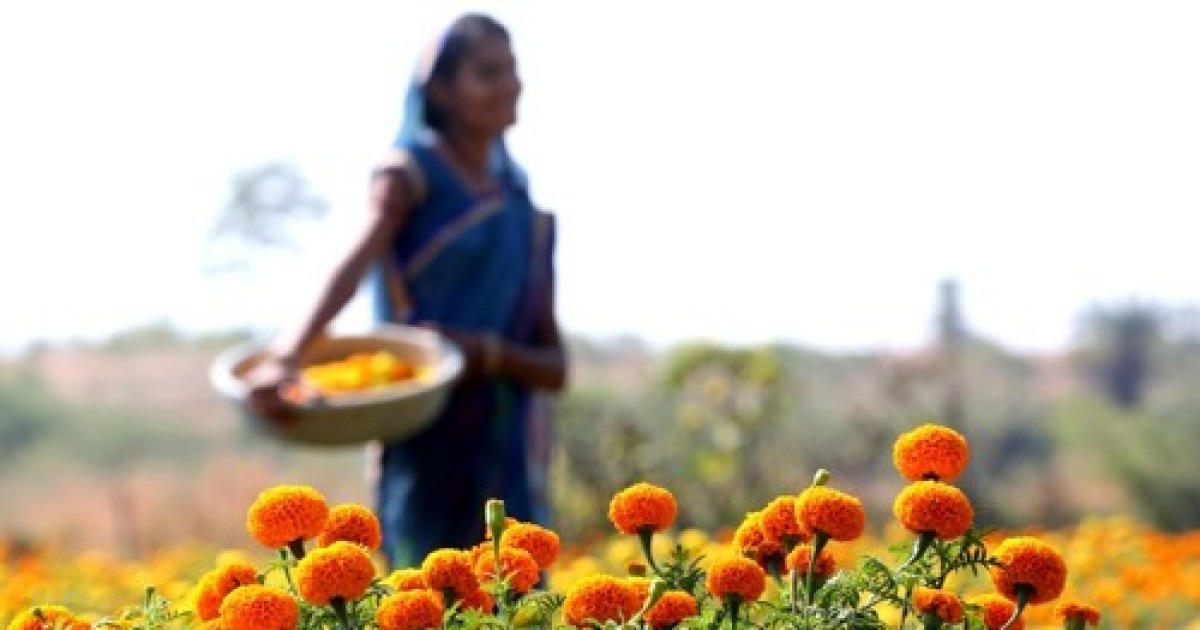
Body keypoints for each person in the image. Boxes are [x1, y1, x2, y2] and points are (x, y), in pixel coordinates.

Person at [247, 13, 567, 569]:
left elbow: (554, 367)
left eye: (512, 69)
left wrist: (483, 353)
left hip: (508, 444)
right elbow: (352, 264)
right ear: (441, 92)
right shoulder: (410, 174)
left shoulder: (522, 206)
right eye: (488, 72)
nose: (510, 85)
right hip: (426, 437)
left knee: (513, 599)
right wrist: (286, 358)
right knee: (425, 589)